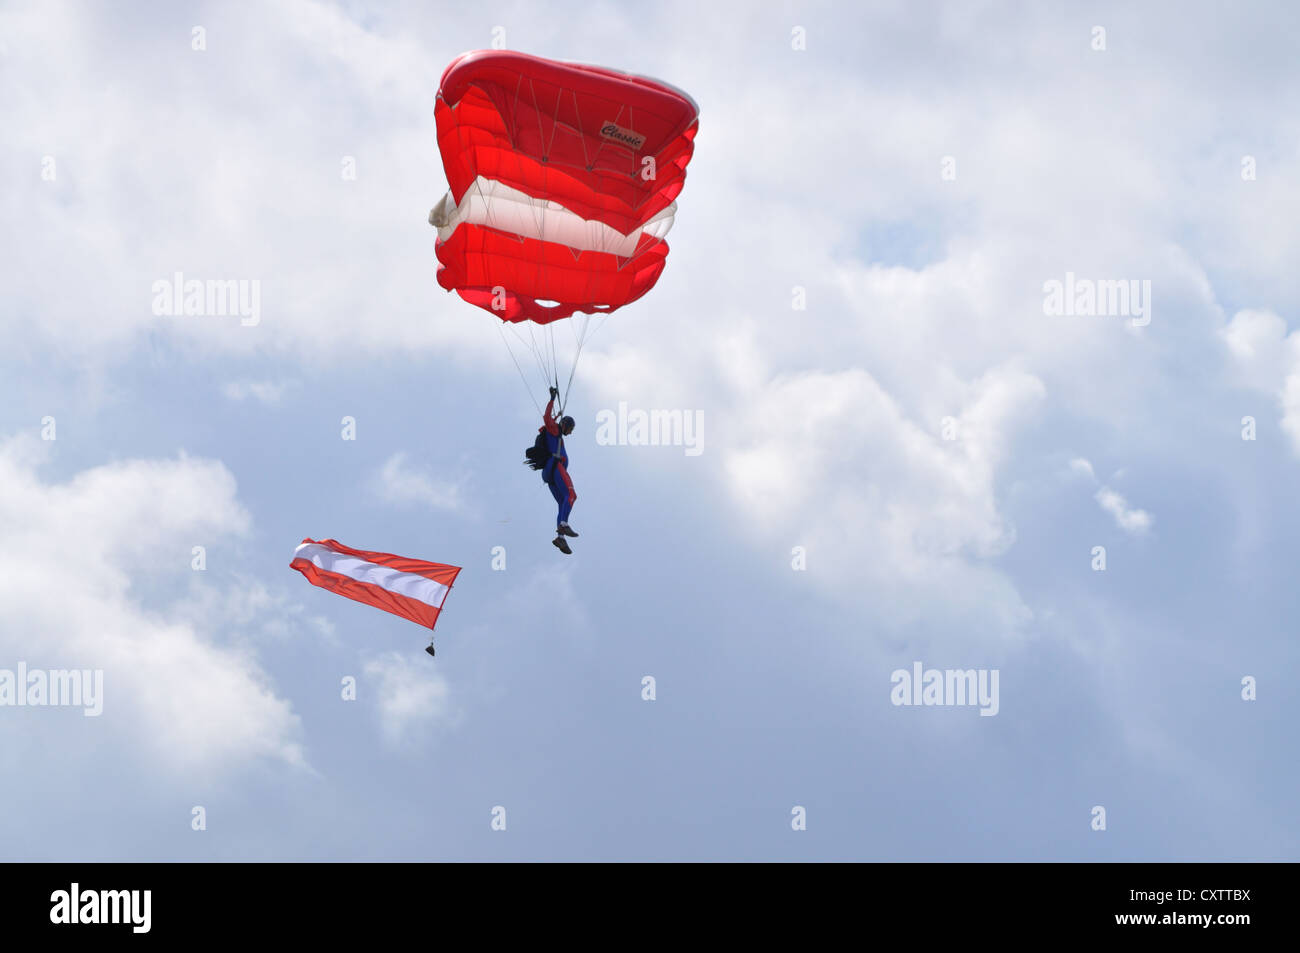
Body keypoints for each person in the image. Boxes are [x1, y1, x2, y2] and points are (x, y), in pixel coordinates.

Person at [541, 386, 578, 554]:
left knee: (562, 502)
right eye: (570, 429)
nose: (570, 433)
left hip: (550, 474)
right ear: (566, 425)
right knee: (571, 496)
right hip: (556, 467)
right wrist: (552, 399)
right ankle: (563, 524)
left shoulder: (557, 435)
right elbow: (547, 417)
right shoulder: (554, 429)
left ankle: (560, 539)